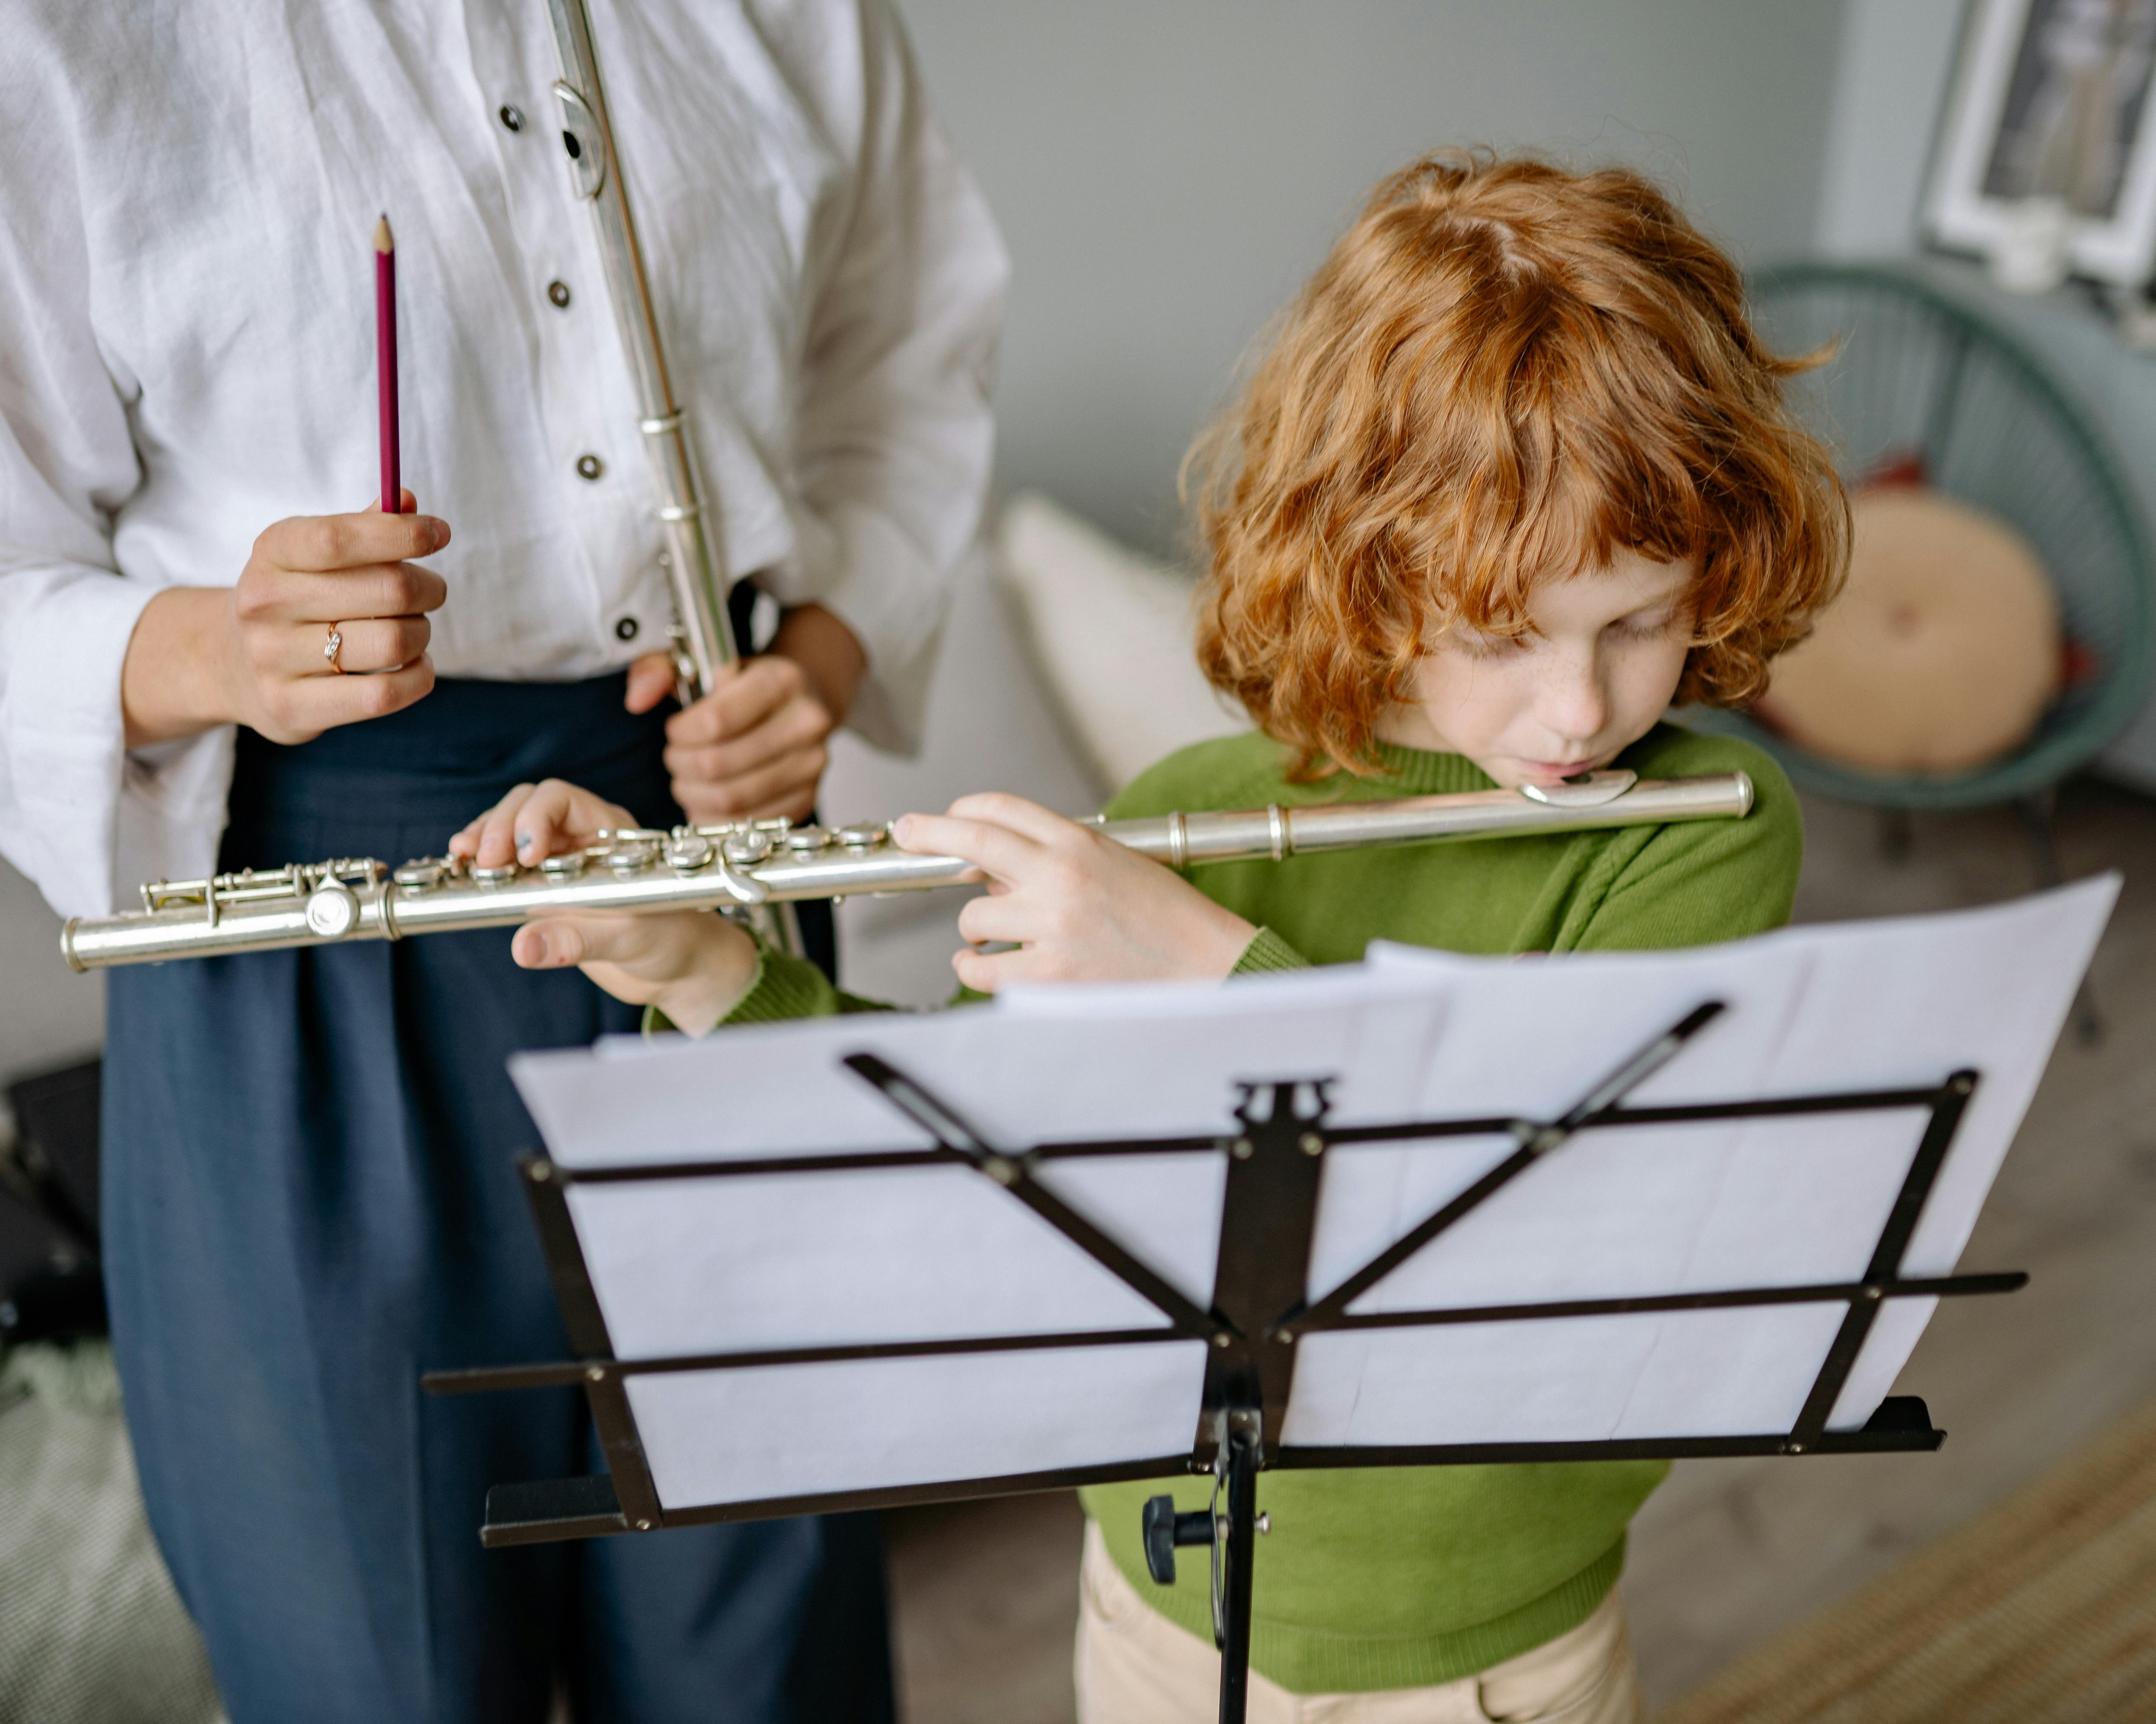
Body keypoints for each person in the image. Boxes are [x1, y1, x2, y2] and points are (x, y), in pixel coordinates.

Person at [458, 153, 1844, 1721]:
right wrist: (704, 968)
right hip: (1160, 1612)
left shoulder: (1701, 821)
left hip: (1482, 1655)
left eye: (1639, 621)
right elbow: (956, 1152)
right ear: (1374, 575)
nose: (1582, 705)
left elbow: (1539, 1221)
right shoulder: (1195, 804)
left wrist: (1195, 967)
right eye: (1505, 633)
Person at [0, 2, 1004, 1720]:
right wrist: (215, 646)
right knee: (380, 1659)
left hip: (718, 869)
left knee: (764, 1622)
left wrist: (825, 657)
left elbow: (907, 357)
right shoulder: (30, 33)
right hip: (300, 918)